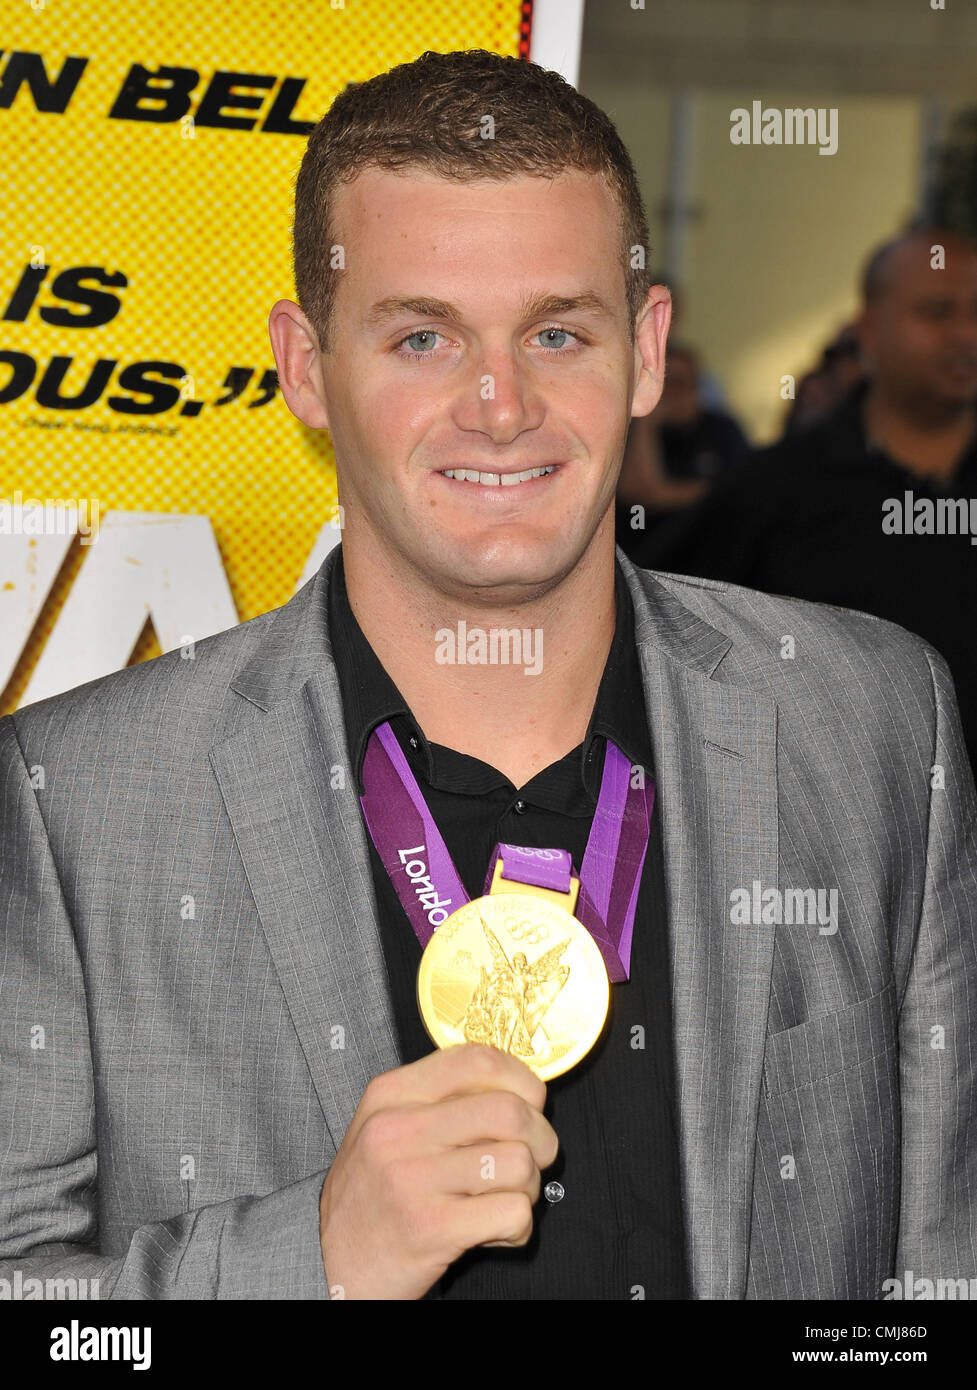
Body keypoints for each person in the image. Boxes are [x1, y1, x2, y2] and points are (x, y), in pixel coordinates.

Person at [1, 51, 975, 1302]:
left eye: (556, 332)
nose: (499, 404)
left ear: (643, 349)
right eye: (420, 337)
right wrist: (306, 1264)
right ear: (304, 366)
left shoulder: (874, 719)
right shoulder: (76, 798)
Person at [638, 227, 977, 784]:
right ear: (869, 329)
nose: (964, 334)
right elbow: (655, 617)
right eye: (937, 313)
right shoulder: (778, 489)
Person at [615, 341, 748, 559]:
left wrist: (668, 494)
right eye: (667, 383)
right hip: (643, 557)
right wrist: (647, 424)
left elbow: (737, 493)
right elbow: (638, 494)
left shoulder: (722, 429)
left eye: (683, 383)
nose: (675, 393)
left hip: (711, 556)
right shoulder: (630, 429)